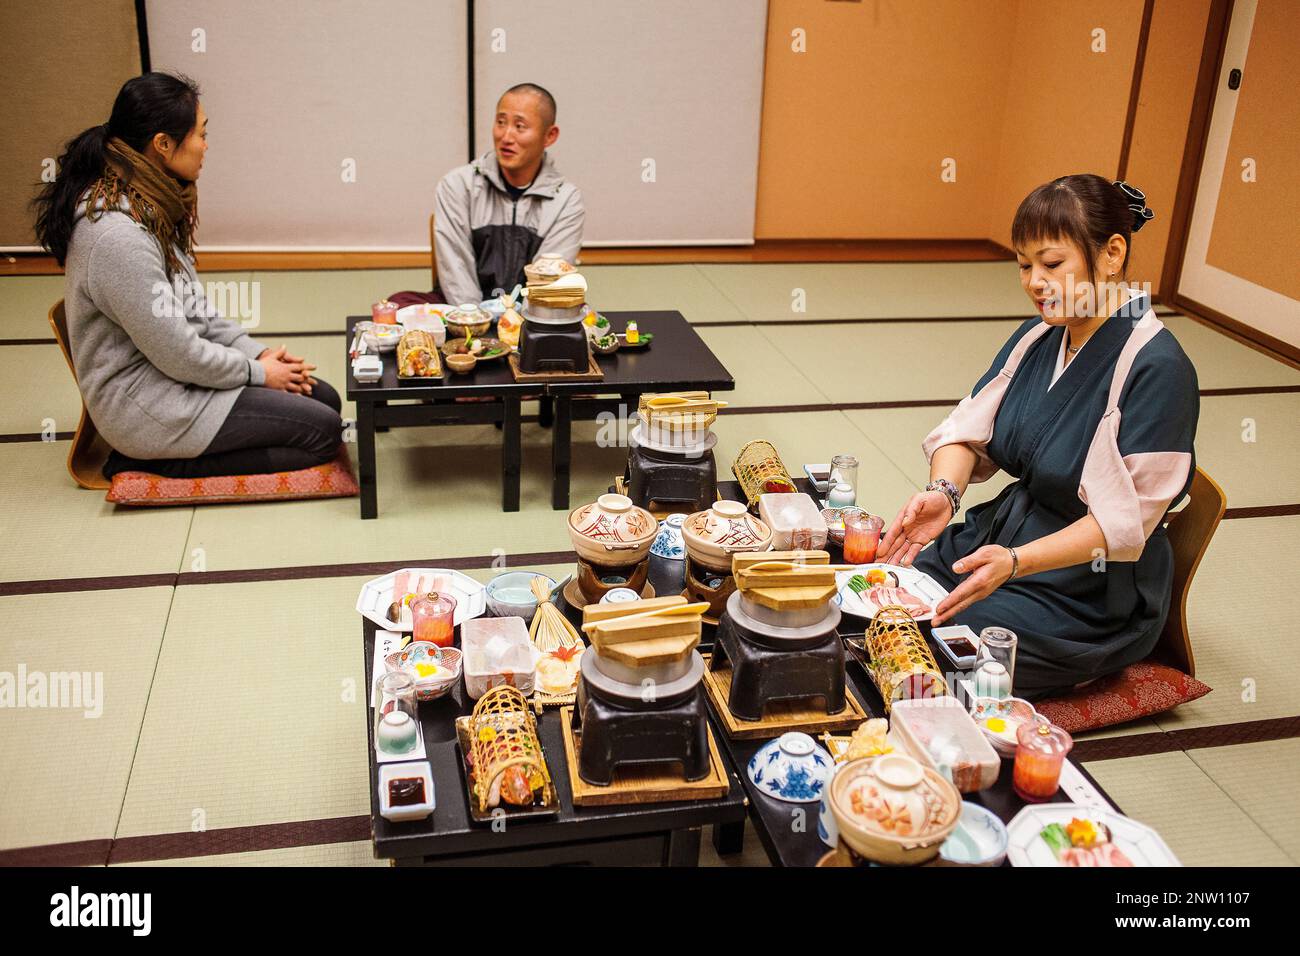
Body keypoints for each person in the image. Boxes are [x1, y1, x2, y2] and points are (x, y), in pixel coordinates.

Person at [878, 175, 1198, 700]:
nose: (1034, 282)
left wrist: (1017, 563)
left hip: (1091, 583)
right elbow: (969, 431)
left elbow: (1123, 525)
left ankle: (1088, 663)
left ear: (1112, 253)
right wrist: (945, 494)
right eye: (1024, 265)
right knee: (893, 590)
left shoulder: (1158, 367)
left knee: (950, 643)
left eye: (1052, 264)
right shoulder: (1040, 337)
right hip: (1006, 533)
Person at [32, 72, 343, 479]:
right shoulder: (116, 236)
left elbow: (197, 314)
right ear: (163, 144)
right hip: (148, 406)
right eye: (201, 133)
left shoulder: (151, 203)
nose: (206, 146)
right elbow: (179, 354)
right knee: (322, 432)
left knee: (327, 401)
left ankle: (192, 443)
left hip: (173, 378)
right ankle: (146, 461)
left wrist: (258, 354)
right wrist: (260, 374)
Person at [432, 82, 585, 305]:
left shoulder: (566, 199)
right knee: (400, 303)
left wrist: (514, 325)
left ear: (549, 136)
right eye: (501, 122)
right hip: (464, 319)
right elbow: (455, 268)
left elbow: (548, 284)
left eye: (520, 126)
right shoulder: (458, 185)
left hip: (531, 319)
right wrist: (474, 321)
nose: (506, 136)